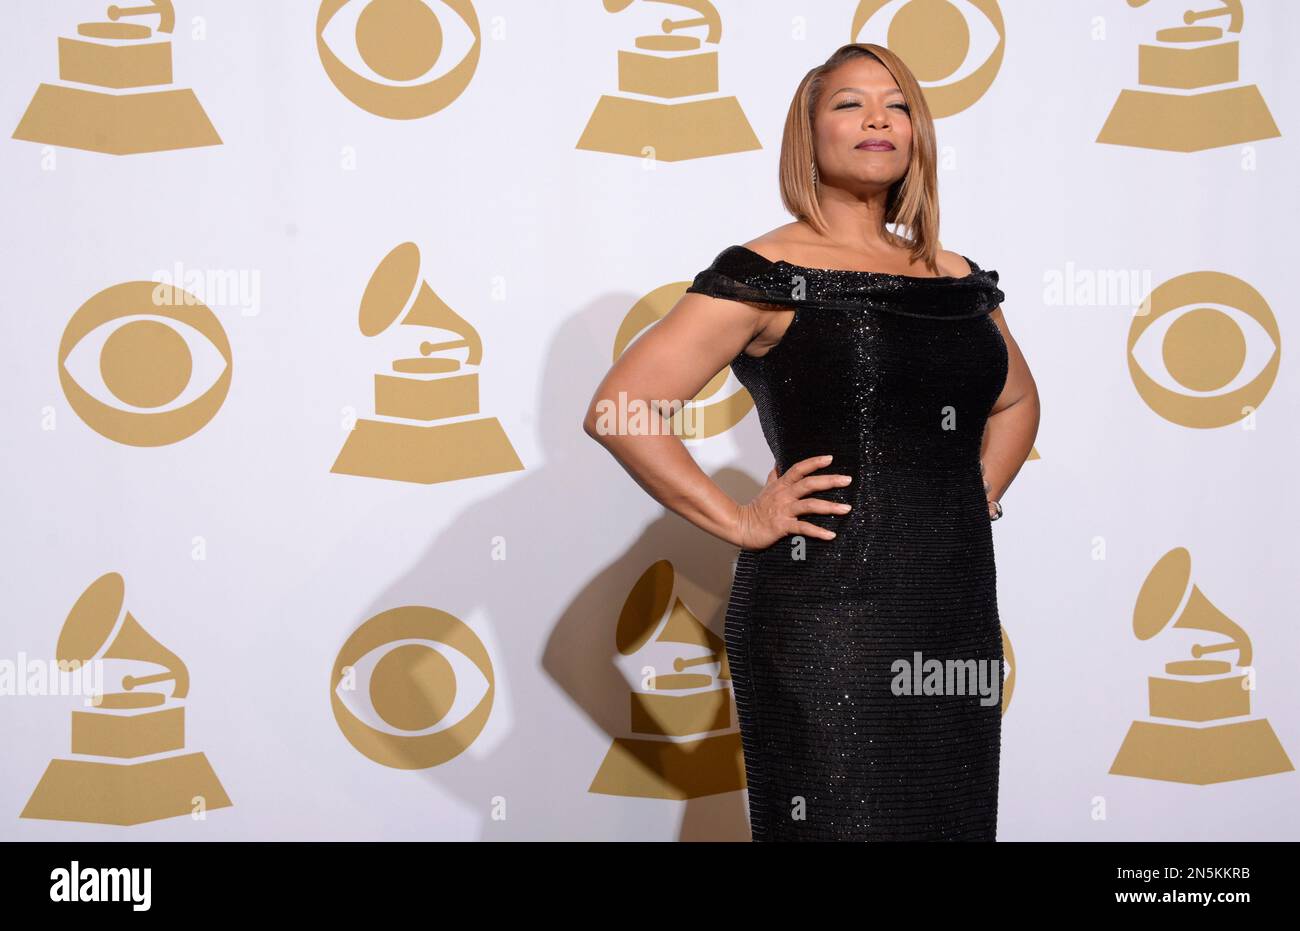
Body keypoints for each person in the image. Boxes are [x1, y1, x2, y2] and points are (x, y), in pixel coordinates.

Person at [582, 42, 1040, 841]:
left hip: (951, 618)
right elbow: (620, 407)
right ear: (810, 132)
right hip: (825, 624)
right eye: (849, 102)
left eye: (897, 104)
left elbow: (1017, 399)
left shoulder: (957, 276)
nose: (877, 118)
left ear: (918, 134)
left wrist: (973, 496)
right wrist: (741, 520)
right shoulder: (765, 269)